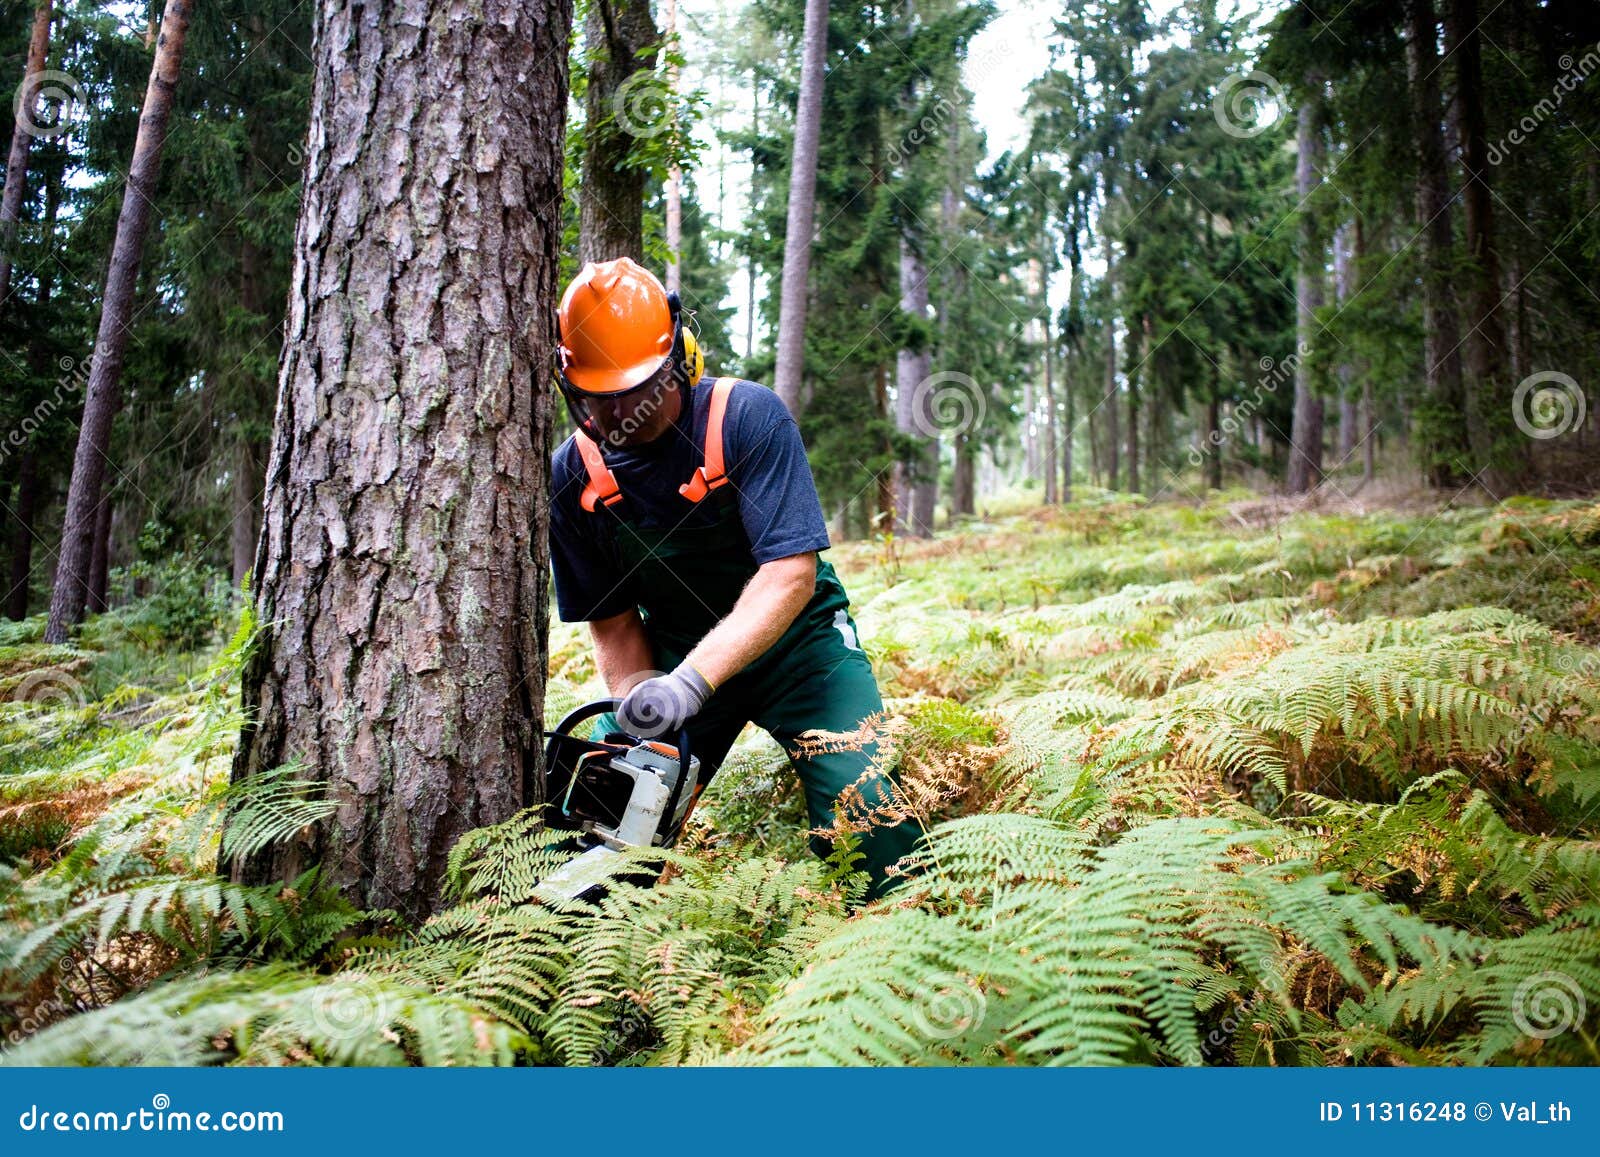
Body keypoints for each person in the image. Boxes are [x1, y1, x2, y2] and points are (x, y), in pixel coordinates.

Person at [546, 256, 919, 898]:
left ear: (677, 362)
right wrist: (644, 699)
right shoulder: (573, 475)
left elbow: (790, 575)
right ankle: (595, 969)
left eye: (635, 393)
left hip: (801, 650)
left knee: (867, 803)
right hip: (675, 654)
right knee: (601, 824)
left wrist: (691, 684)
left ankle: (898, 933)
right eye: (598, 401)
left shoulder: (745, 418)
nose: (616, 417)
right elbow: (611, 622)